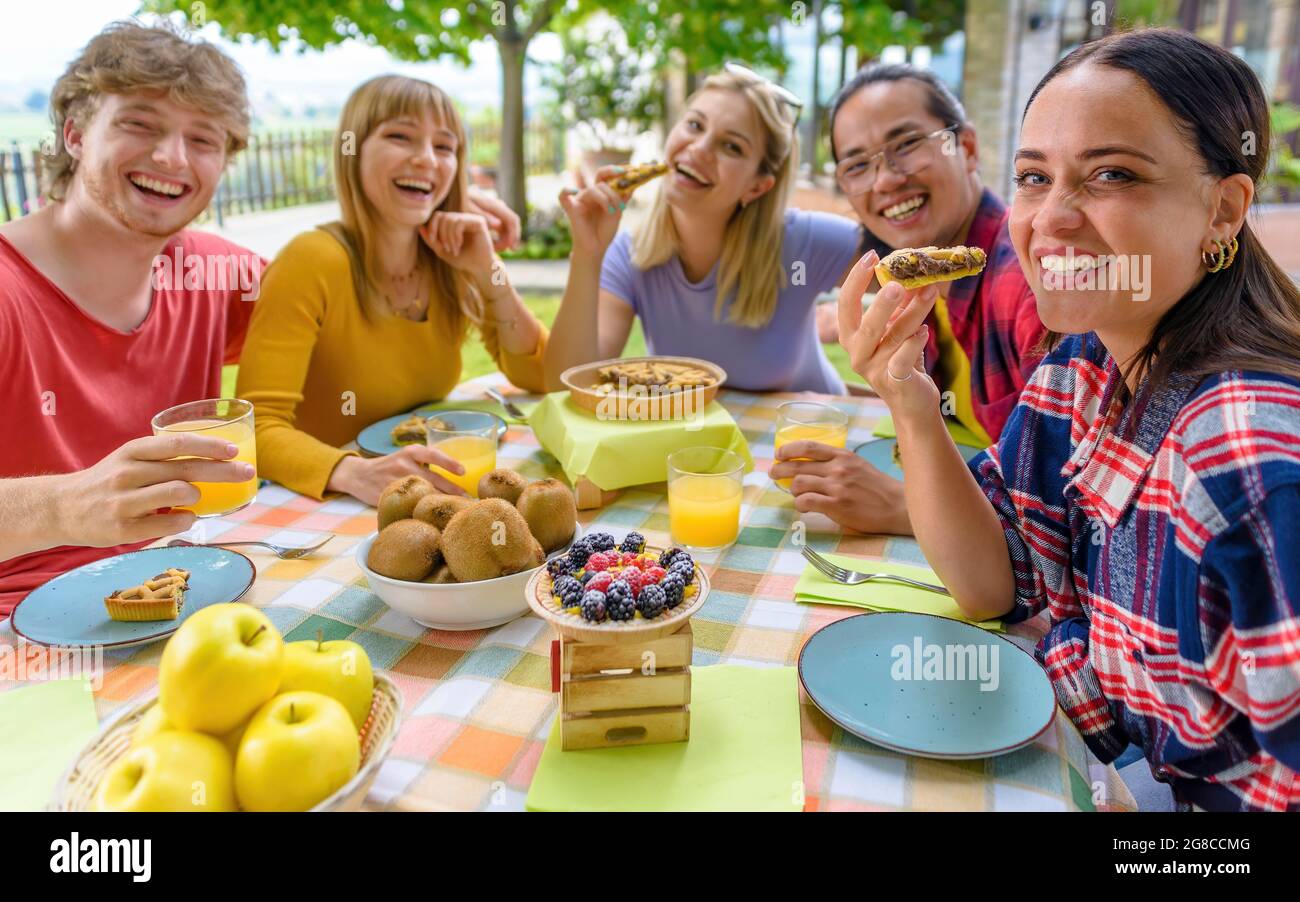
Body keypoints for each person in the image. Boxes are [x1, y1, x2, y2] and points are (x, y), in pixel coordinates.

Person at [837, 28, 1300, 811]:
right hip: (1106, 764)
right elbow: (992, 583)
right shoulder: (1080, 366)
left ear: (1223, 209)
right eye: (1033, 177)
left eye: (1111, 174)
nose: (1051, 219)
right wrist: (908, 398)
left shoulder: (1248, 458)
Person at [0, 21, 260, 617]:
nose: (172, 157)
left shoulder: (214, 274)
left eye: (203, 139)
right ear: (74, 134)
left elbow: (351, 303)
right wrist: (61, 507)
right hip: (18, 633)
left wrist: (433, 222)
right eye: (139, 123)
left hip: (184, 590)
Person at [235, 75, 548, 505]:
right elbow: (258, 428)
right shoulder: (310, 261)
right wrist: (355, 472)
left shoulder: (449, 260)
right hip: (331, 500)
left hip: (428, 492)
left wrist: (488, 269)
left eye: (444, 146)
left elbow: (537, 375)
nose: (426, 160)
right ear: (353, 152)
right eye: (400, 137)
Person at [773, 63, 1044, 535]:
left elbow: (1064, 499)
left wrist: (905, 504)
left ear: (968, 147)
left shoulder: (1027, 283)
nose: (885, 180)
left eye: (907, 145)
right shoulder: (917, 284)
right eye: (858, 165)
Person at [544, 65, 863, 395]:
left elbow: (906, 269)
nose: (698, 149)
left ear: (757, 186)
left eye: (731, 147)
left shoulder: (805, 243)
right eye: (695, 125)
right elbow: (565, 387)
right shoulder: (628, 255)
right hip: (701, 445)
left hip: (813, 435)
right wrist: (587, 254)